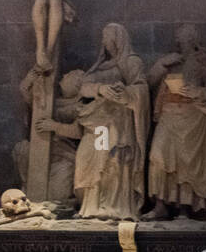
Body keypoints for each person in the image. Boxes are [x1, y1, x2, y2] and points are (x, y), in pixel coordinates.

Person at [37, 24, 150, 220]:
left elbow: (141, 90)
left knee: (114, 161)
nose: (104, 42)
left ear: (118, 39)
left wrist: (125, 94)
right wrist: (100, 89)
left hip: (118, 124)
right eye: (103, 38)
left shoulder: (132, 63)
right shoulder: (99, 66)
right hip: (98, 125)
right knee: (93, 159)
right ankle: (92, 207)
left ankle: (114, 208)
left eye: (108, 37)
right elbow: (84, 89)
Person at [143, 24, 206, 219]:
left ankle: (184, 209)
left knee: (186, 164)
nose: (181, 41)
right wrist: (161, 64)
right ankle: (160, 205)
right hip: (168, 115)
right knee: (158, 157)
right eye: (179, 38)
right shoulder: (171, 62)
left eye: (185, 38)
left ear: (194, 40)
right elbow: (146, 84)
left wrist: (198, 92)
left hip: (192, 117)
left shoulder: (203, 63)